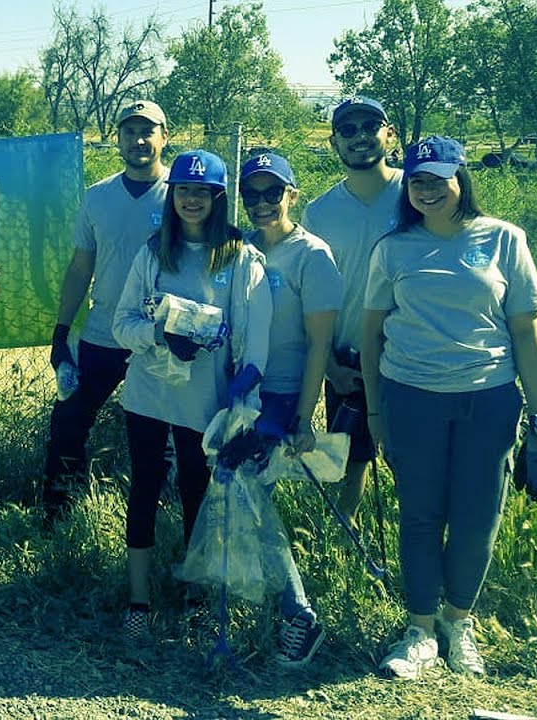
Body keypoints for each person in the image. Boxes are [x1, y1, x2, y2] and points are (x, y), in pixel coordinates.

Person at [363, 136, 537, 679]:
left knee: (477, 518)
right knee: (420, 515)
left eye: (438, 179)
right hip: (411, 396)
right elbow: (371, 332)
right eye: (417, 181)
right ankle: (420, 630)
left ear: (461, 179)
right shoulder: (393, 248)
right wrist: (376, 412)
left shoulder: (504, 239)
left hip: (488, 397)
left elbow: (525, 330)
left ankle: (457, 622)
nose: (427, 190)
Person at [111, 149, 270, 642]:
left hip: (205, 404)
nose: (192, 200)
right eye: (184, 190)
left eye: (203, 191)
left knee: (197, 497)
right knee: (143, 489)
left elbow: (253, 340)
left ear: (219, 198)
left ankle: (197, 598)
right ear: (172, 194)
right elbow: (122, 324)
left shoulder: (239, 257)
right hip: (148, 395)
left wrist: (242, 397)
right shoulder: (153, 252)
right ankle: (139, 602)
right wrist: (160, 336)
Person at [44, 100, 170, 520]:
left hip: (157, 338)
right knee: (68, 422)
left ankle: (159, 515)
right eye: (130, 132)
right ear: (118, 139)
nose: (139, 140)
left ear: (164, 137)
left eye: (147, 131)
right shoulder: (98, 196)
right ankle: (60, 512)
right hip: (103, 331)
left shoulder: (182, 195)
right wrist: (62, 332)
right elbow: (81, 267)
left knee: (158, 433)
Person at [239, 152, 342, 667]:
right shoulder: (239, 249)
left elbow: (319, 345)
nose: (262, 204)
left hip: (280, 397)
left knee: (251, 497)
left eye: (272, 193)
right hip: (240, 394)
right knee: (241, 498)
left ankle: (298, 612)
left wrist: (303, 416)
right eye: (251, 194)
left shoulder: (312, 256)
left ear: (292, 195)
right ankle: (246, 602)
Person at [301, 97, 402, 523]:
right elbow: (310, 299)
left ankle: (421, 539)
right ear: (334, 142)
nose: (359, 136)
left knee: (415, 458)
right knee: (350, 460)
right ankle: (345, 537)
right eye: (348, 129)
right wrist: (330, 368)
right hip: (349, 362)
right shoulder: (319, 213)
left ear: (389, 134)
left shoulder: (419, 194)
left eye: (369, 126)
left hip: (411, 355)